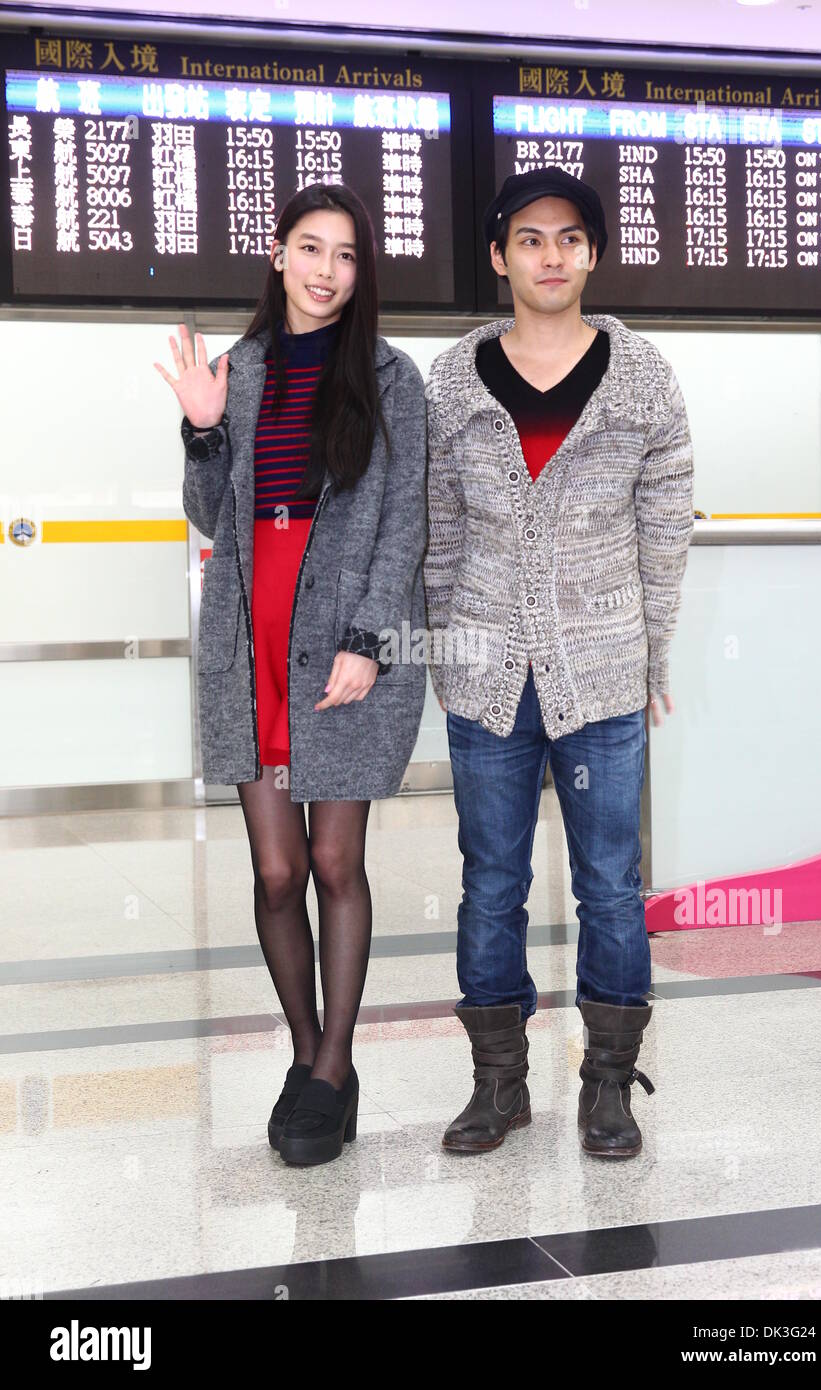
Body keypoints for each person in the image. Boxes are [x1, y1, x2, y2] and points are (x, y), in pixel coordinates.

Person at [423, 167, 695, 1159]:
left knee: (610, 887)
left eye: (569, 238)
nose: (550, 255)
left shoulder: (640, 375)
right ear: (498, 255)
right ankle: (496, 1084)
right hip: (485, 681)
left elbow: (663, 530)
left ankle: (608, 1083)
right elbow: (437, 530)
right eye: (529, 238)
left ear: (590, 254)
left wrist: (647, 651)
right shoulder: (453, 376)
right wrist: (449, 656)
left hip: (603, 677)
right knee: (489, 883)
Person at [156, 182, 428, 1167]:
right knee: (274, 871)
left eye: (345, 255)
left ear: (362, 273)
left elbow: (403, 523)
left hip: (340, 636)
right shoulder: (240, 369)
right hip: (249, 635)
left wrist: (368, 639)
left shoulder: (392, 380)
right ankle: (311, 1055)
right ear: (276, 255)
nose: (325, 270)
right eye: (309, 248)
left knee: (332, 864)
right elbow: (207, 512)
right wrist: (199, 427)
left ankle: (329, 1066)